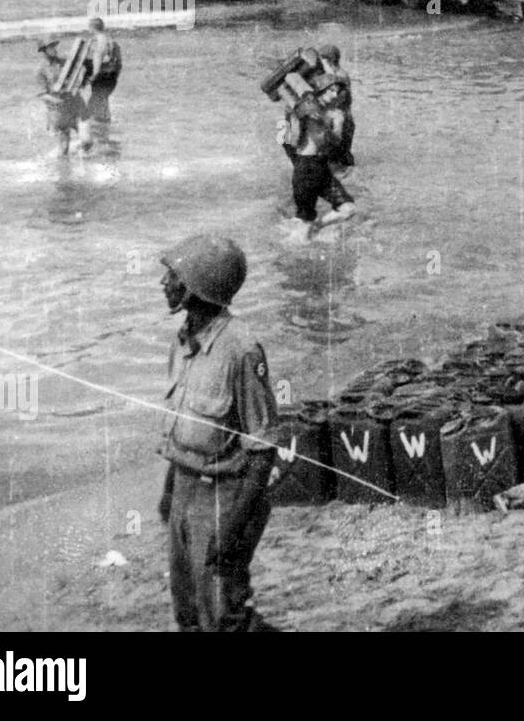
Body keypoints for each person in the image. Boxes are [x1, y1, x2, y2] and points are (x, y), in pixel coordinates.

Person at [157, 234, 279, 631]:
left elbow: (262, 450)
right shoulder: (182, 341)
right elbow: (181, 431)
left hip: (224, 496)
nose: (164, 284)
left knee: (222, 614)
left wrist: (232, 528)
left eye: (173, 276)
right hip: (185, 489)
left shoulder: (241, 350)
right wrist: (169, 493)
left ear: (196, 286)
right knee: (188, 609)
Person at [285, 86, 356, 237]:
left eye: (336, 91)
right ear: (321, 91)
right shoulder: (307, 108)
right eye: (331, 90)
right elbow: (289, 137)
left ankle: (318, 226)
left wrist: (337, 122)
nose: (335, 94)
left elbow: (336, 144)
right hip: (305, 168)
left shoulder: (335, 114)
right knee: (305, 226)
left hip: (322, 167)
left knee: (348, 208)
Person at [36, 38, 90, 156]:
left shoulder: (66, 62)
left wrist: (84, 76)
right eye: (51, 47)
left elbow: (80, 74)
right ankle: (63, 168)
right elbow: (41, 94)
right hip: (59, 111)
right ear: (44, 50)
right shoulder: (41, 70)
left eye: (55, 46)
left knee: (87, 141)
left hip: (76, 104)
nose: (55, 49)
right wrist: (56, 100)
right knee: (63, 148)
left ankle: (80, 157)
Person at [83, 17, 122, 141]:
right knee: (103, 101)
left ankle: (99, 136)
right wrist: (115, 75)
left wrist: (94, 75)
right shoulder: (112, 40)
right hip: (112, 76)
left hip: (102, 76)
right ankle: (104, 133)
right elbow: (119, 62)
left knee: (93, 104)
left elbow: (98, 57)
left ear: (91, 28)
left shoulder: (98, 41)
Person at [317, 43, 354, 169]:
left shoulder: (339, 77)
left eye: (322, 59)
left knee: (338, 159)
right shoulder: (337, 74)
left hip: (343, 121)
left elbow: (337, 100)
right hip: (344, 120)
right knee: (342, 157)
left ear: (329, 60)